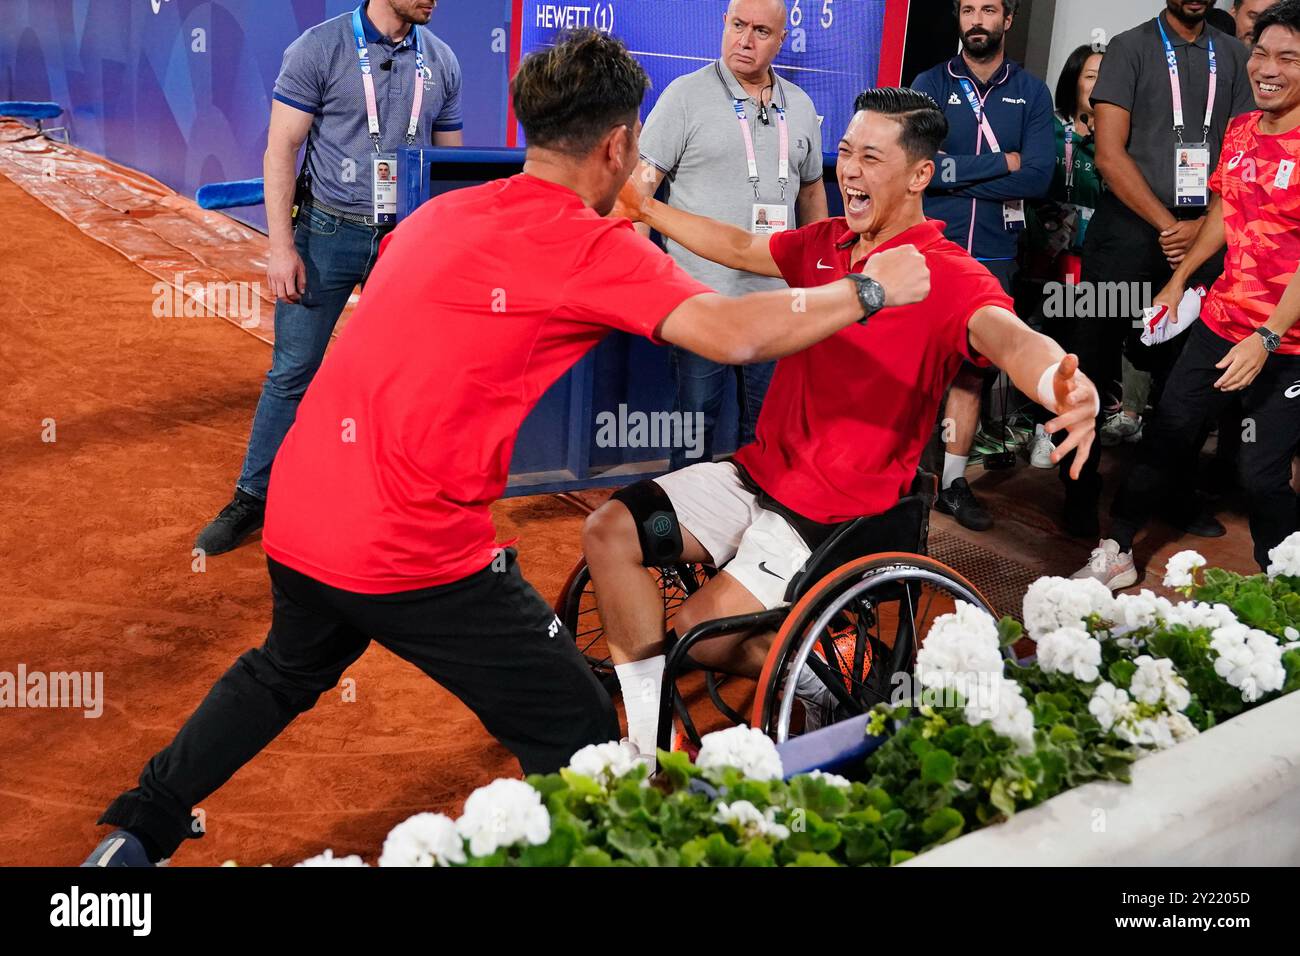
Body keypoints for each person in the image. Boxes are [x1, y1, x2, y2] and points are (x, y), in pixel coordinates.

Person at [81, 30, 933, 868]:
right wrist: (868, 288)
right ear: (617, 143)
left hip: (302, 511)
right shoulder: (588, 245)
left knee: (283, 670)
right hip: (413, 549)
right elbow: (732, 333)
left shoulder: (444, 212)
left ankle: (138, 831)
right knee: (581, 734)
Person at [584, 88, 1100, 760]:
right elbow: (742, 246)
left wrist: (1063, 376)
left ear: (919, 175)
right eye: (846, 153)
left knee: (700, 631)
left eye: (870, 158)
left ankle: (828, 683)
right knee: (611, 530)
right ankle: (645, 734)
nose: (848, 170)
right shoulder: (827, 243)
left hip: (834, 508)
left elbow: (1008, 337)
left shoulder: (947, 275)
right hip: (761, 473)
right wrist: (645, 207)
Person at [193, 0, 465, 557]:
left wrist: (443, 253)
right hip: (324, 234)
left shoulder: (443, 61)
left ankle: (387, 503)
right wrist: (281, 247)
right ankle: (252, 497)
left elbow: (450, 169)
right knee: (293, 370)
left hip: (404, 244)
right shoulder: (318, 48)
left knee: (402, 376)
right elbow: (281, 150)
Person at [1077, 0, 1300, 588]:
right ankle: (1118, 549)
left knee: (1261, 474)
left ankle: (1285, 588)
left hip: (1287, 340)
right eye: (1261, 52)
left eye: (1288, 57)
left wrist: (1269, 335)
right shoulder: (1243, 129)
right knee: (1168, 433)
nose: (1268, 67)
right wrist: (1178, 281)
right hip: (1222, 321)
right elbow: (1226, 211)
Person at [1058, 0, 1255, 539]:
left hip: (1207, 232)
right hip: (1126, 234)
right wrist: (1171, 226)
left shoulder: (1236, 56)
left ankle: (1170, 491)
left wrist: (1199, 230)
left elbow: (1242, 153)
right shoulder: (1129, 47)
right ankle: (1079, 488)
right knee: (1091, 366)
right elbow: (1108, 154)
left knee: (1187, 379)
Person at [632, 0, 828, 472]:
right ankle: (687, 530)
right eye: (738, 26)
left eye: (761, 31)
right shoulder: (684, 96)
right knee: (694, 432)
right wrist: (641, 287)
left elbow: (813, 195)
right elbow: (637, 196)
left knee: (765, 433)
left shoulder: (799, 106)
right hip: (700, 303)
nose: (745, 39)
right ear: (724, 24)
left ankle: (755, 531)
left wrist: (819, 288)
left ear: (782, 40)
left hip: (777, 305)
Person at [910, 0, 1054, 531]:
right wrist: (1002, 163)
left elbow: (1038, 177)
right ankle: (902, 480)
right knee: (916, 372)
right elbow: (919, 168)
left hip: (996, 253)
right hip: (934, 250)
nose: (977, 19)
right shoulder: (928, 83)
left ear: (1007, 20)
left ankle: (951, 484)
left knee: (972, 377)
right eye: (968, 8)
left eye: (988, 9)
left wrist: (956, 174)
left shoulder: (1032, 92)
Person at [1024, 42, 1106, 468]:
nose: (1098, 84)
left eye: (1105, 76)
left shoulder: (1119, 138)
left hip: (1101, 263)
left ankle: (1089, 424)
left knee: (1085, 349)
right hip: (1050, 259)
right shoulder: (1051, 133)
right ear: (1074, 82)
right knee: (1050, 347)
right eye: (1090, 76)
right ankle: (1041, 431)